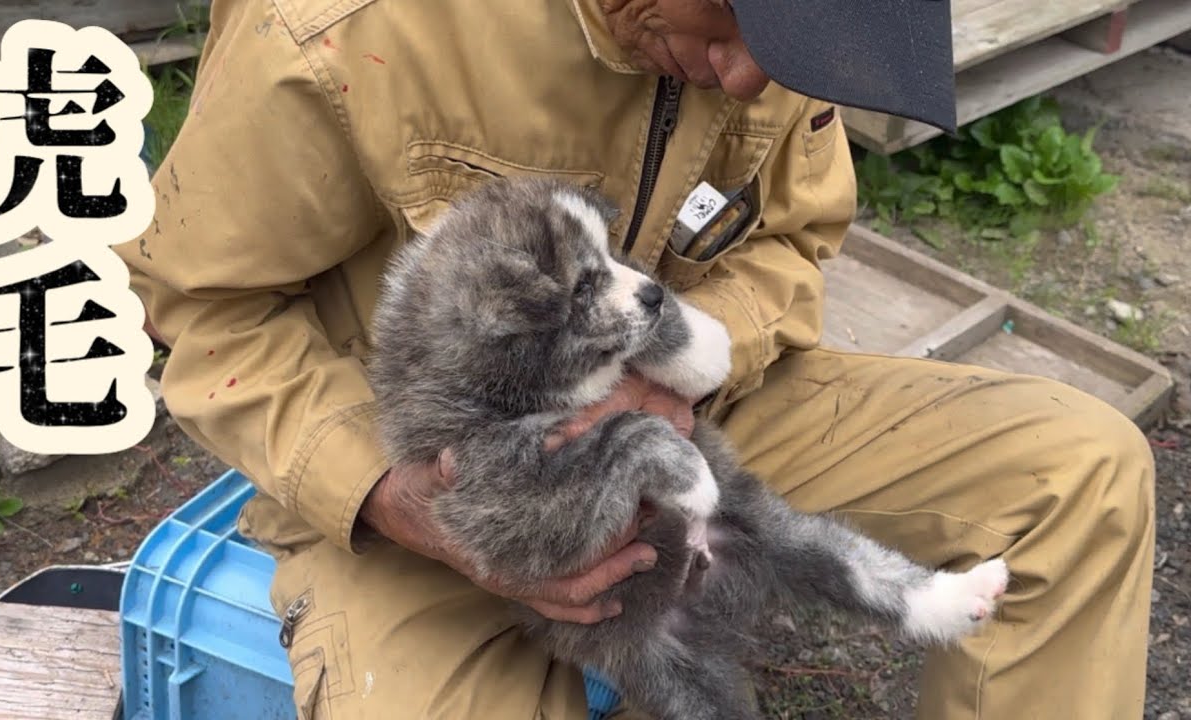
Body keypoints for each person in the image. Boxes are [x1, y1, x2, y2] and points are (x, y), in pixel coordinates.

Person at [116, 0, 1156, 717]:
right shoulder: (348, 28)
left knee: (1077, 473)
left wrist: (676, 371)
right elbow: (198, 309)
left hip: (696, 420)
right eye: (734, 19)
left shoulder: (768, 49)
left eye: (794, 41)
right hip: (444, 487)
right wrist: (390, 495)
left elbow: (791, 244)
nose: (748, 76)